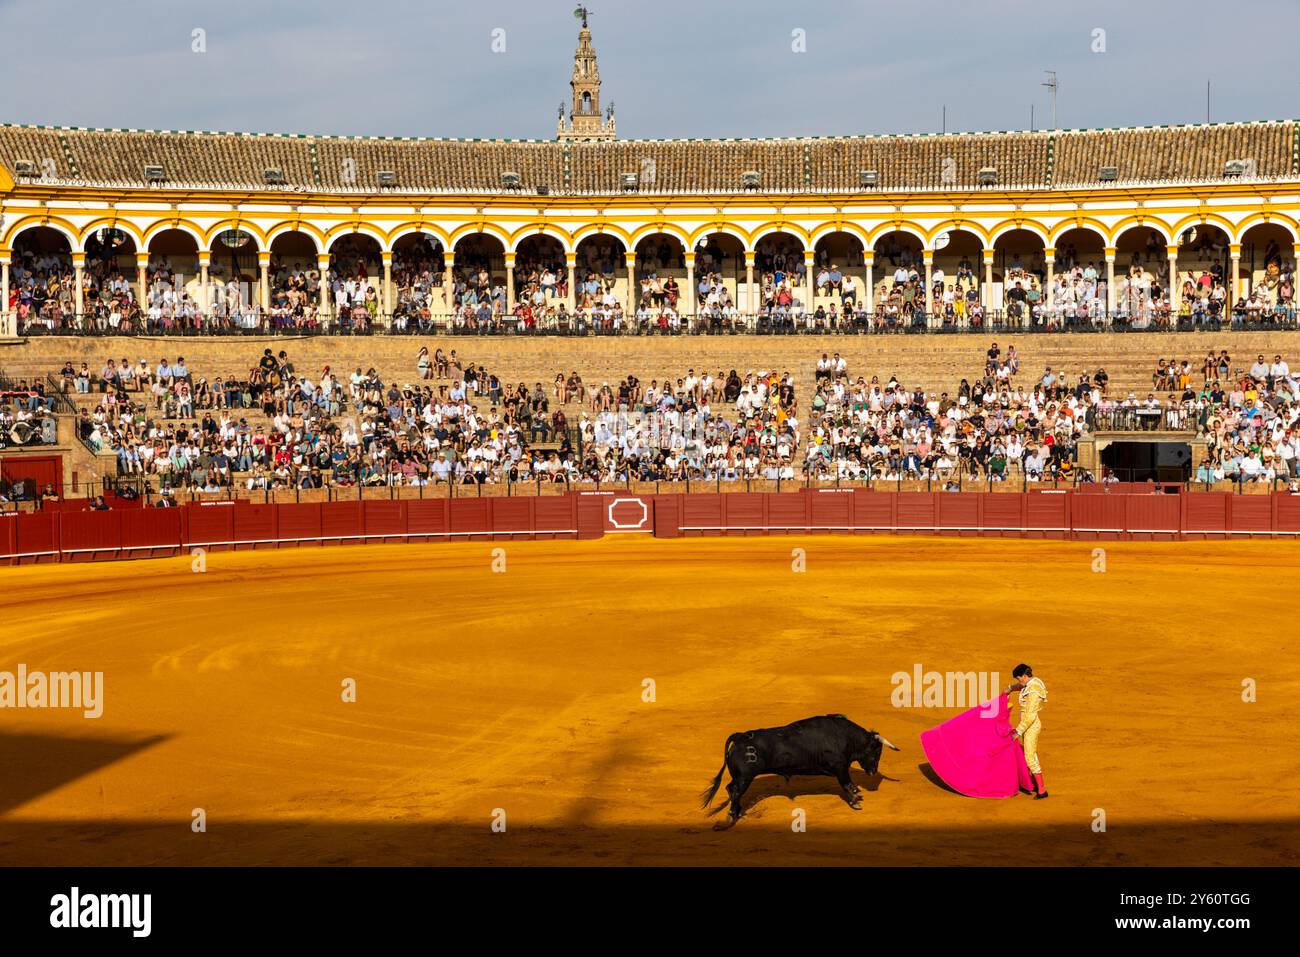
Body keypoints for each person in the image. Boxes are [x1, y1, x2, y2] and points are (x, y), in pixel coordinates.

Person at [1010, 663, 1049, 799]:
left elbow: (1030, 716)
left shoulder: (1033, 691)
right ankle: (1035, 784)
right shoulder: (1033, 682)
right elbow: (1021, 686)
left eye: (1019, 678)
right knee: (1031, 754)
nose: (1018, 681)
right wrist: (1009, 688)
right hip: (1029, 725)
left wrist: (1018, 731)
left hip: (1030, 725)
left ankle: (1042, 790)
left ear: (1025, 676)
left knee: (1029, 758)